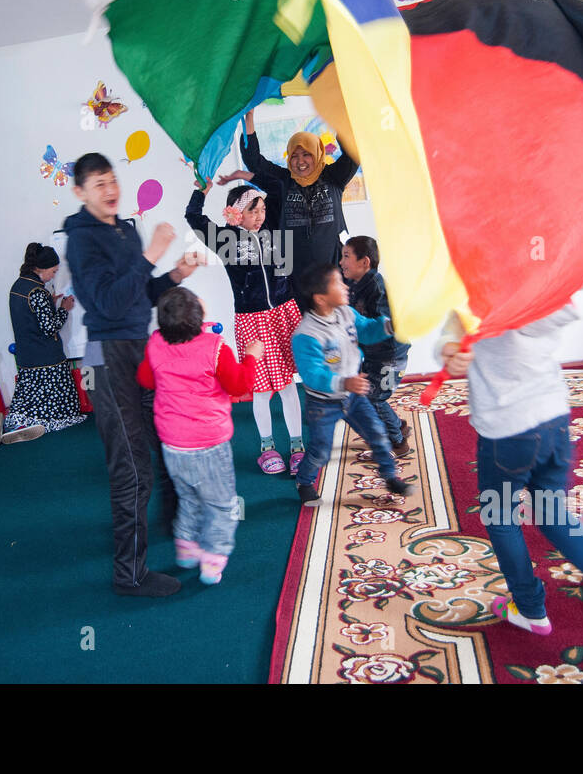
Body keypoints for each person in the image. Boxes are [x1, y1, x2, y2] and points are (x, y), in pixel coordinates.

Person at [438, 188, 583, 677]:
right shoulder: (546, 272)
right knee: (554, 513)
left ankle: (530, 608)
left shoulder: (475, 281)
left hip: (507, 433)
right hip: (555, 421)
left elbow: (453, 343)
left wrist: (451, 351)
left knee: (501, 516)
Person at [63, 152, 200, 598]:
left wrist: (175, 272)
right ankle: (131, 573)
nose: (110, 189)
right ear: (80, 192)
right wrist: (152, 253)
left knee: (168, 439)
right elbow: (107, 303)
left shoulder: (123, 228)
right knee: (131, 467)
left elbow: (139, 291)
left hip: (142, 349)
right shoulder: (81, 240)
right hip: (111, 357)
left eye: (112, 179)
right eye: (98, 183)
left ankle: (173, 526)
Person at [136, 288, 261, 585]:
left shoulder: (156, 343)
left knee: (188, 497)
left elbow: (145, 378)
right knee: (220, 504)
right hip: (209, 444)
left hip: (173, 444)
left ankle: (187, 546)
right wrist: (252, 357)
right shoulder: (215, 347)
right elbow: (239, 385)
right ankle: (213, 559)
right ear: (198, 318)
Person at [185, 176, 304, 475]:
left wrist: (245, 177)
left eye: (262, 208)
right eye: (253, 210)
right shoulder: (226, 240)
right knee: (262, 390)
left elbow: (279, 186)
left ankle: (298, 446)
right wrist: (202, 190)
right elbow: (193, 217)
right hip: (251, 321)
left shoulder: (275, 231)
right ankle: (267, 448)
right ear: (237, 213)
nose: (261, 215)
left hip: (282, 314)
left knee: (289, 386)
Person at [290, 264, 412, 504]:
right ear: (321, 298)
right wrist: (345, 382)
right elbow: (313, 375)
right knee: (320, 449)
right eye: (338, 283)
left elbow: (366, 330)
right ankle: (304, 481)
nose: (345, 286)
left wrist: (390, 325)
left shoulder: (345, 312)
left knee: (377, 433)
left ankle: (390, 476)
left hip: (353, 396)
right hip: (323, 403)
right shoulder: (306, 335)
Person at [217, 110, 359, 301]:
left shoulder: (334, 177)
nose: (300, 161)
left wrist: (334, 111)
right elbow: (254, 161)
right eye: (294, 155)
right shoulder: (283, 181)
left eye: (306, 154)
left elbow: (353, 154)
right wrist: (249, 119)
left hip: (335, 275)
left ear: (317, 153)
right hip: (296, 281)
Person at [0, 243, 84, 447]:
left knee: (28, 399)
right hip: (46, 357)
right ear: (41, 268)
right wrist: (64, 309)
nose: (54, 276)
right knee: (61, 414)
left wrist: (50, 301)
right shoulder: (38, 293)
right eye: (53, 271)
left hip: (27, 356)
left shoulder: (19, 285)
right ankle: (40, 424)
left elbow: (29, 315)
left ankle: (17, 422)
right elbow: (50, 327)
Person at [340, 235, 412, 458]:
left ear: (365, 262)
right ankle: (398, 426)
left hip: (390, 357)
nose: (341, 262)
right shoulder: (355, 283)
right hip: (375, 355)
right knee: (368, 394)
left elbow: (382, 326)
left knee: (374, 397)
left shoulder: (376, 287)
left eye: (346, 257)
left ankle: (397, 443)